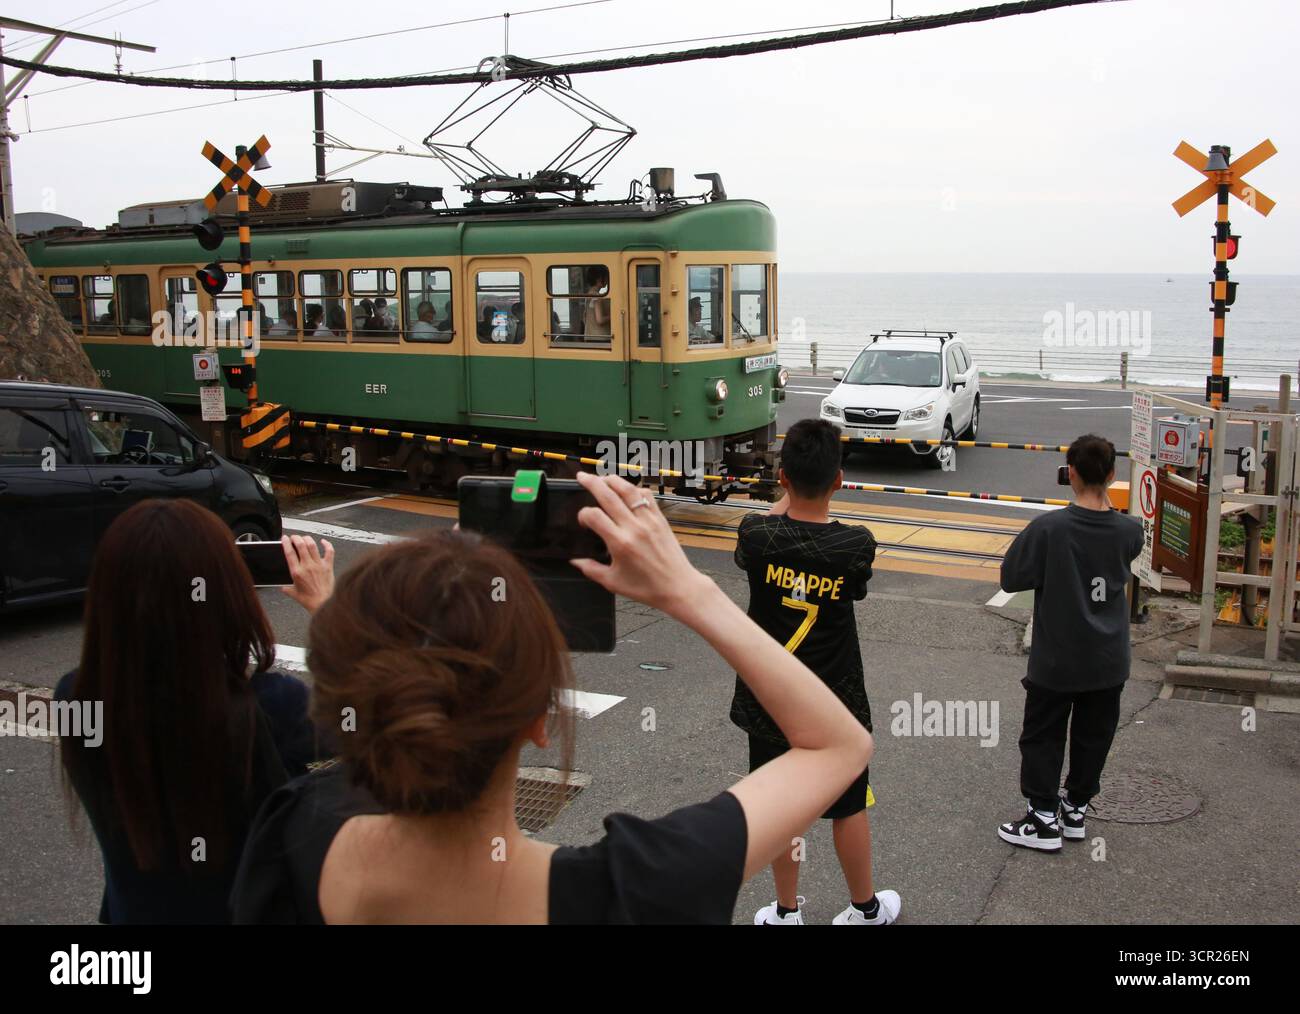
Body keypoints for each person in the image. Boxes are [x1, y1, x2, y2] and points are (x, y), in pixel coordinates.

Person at [231, 472, 872, 925]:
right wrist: (688, 591)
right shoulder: (638, 891)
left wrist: (343, 613)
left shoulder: (296, 827)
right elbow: (837, 743)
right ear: (542, 719)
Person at [56, 499, 336, 924]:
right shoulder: (273, 705)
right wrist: (327, 612)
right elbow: (375, 725)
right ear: (227, 593)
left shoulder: (75, 696)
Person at [729, 418, 900, 925]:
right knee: (848, 806)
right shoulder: (855, 545)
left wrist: (786, 494)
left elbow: (768, 526)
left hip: (770, 703)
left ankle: (785, 912)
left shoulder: (757, 536)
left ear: (782, 477)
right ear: (839, 481)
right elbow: (854, 582)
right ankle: (865, 910)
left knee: (783, 809)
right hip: (835, 704)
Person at [996, 434, 1144, 852]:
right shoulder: (1130, 531)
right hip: (1108, 659)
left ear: (1070, 475)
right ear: (1113, 475)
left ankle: (1043, 818)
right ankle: (1075, 809)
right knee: (1094, 735)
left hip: (1057, 658)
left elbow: (1011, 578)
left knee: (1043, 734)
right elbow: (1121, 542)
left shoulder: (1049, 529)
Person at [581, 266, 611, 341]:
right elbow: (600, 319)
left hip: (589, 336)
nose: (607, 280)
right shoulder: (597, 297)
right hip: (601, 338)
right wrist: (614, 316)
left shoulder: (588, 295)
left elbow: (584, 317)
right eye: (606, 277)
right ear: (600, 279)